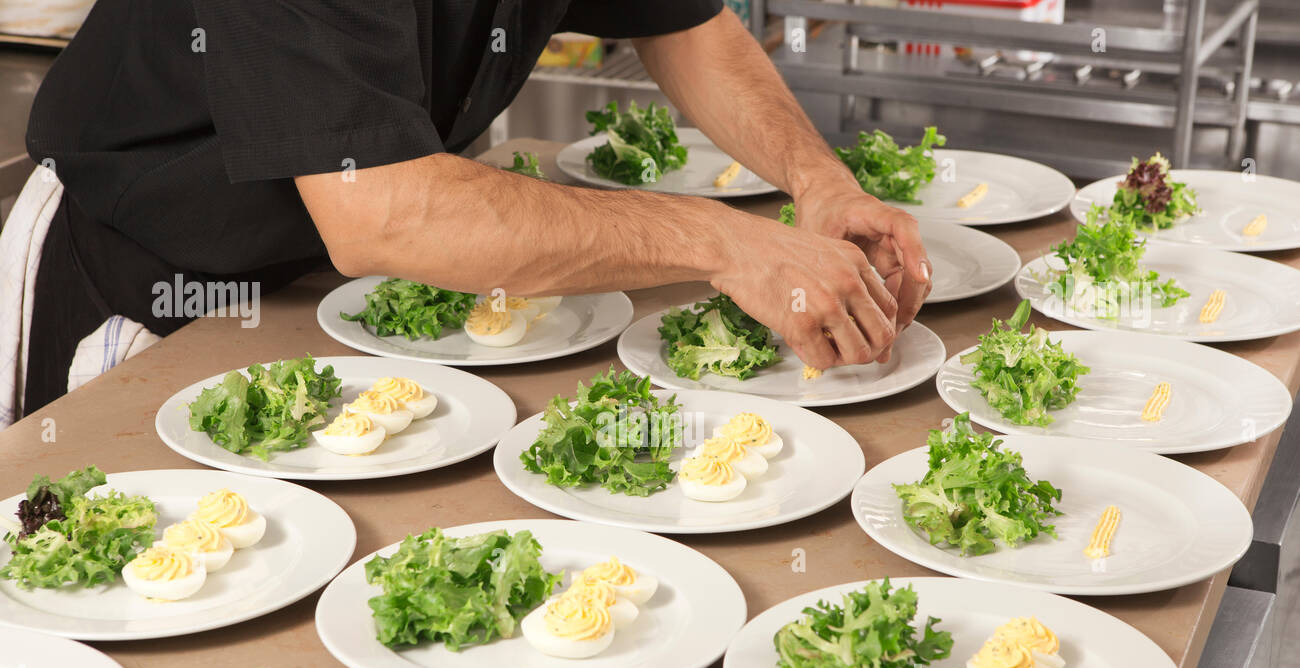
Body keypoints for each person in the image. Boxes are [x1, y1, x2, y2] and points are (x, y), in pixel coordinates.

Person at [17, 1, 930, 420]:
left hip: (349, 285)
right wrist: (727, 244)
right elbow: (383, 211)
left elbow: (685, 23)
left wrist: (821, 182)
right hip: (154, 278)